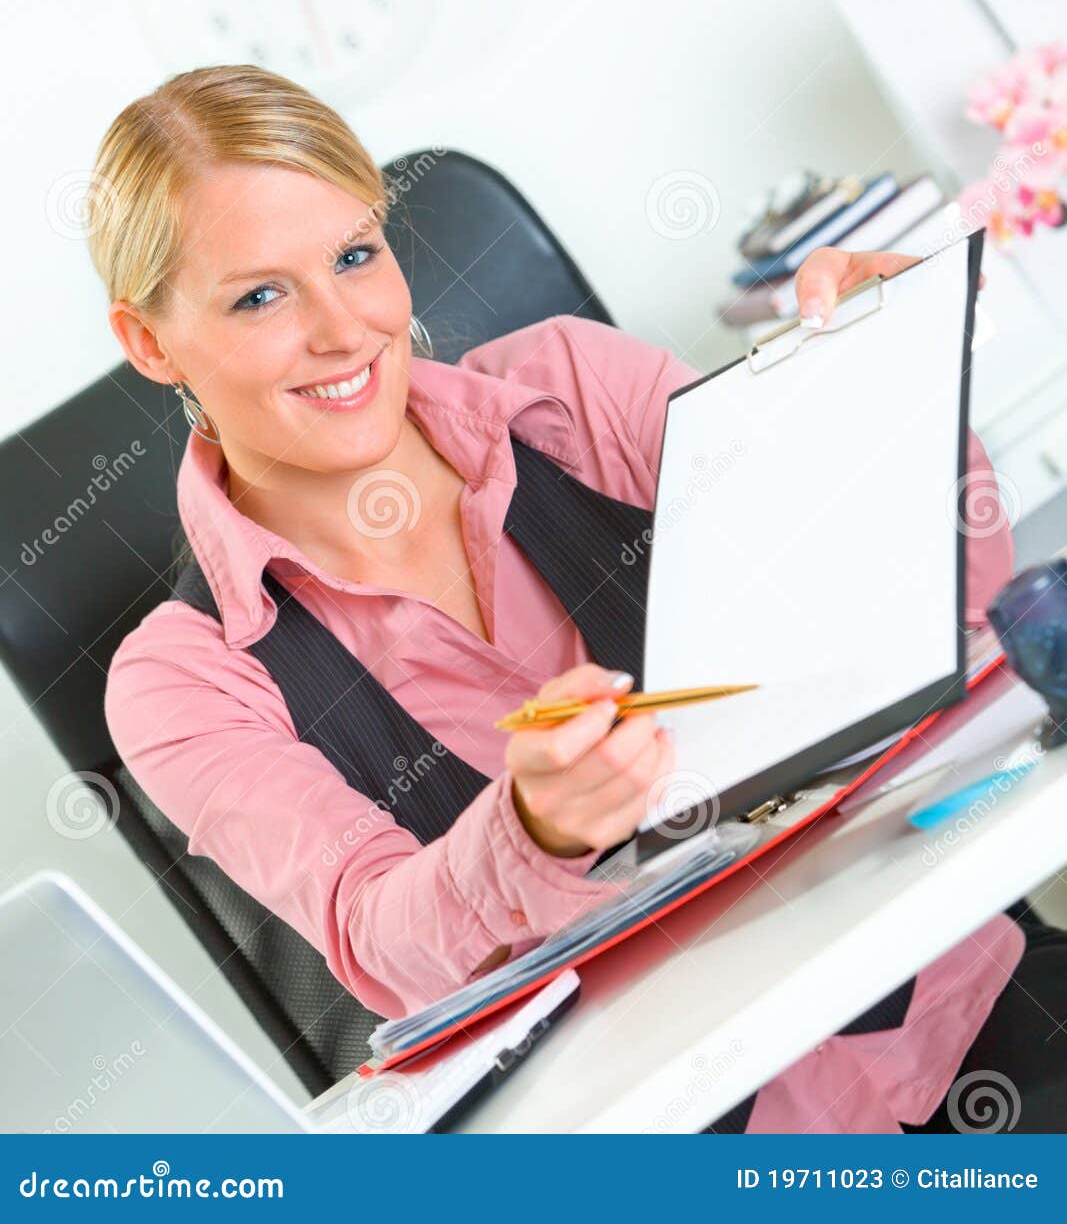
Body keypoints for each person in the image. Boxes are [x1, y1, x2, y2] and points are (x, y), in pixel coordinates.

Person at [92, 65, 1051, 1132]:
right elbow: (379, 938)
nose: (342, 326)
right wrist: (530, 830)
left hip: (952, 1005)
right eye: (259, 295)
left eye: (355, 255)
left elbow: (922, 631)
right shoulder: (182, 680)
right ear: (149, 341)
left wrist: (878, 397)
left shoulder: (574, 392)